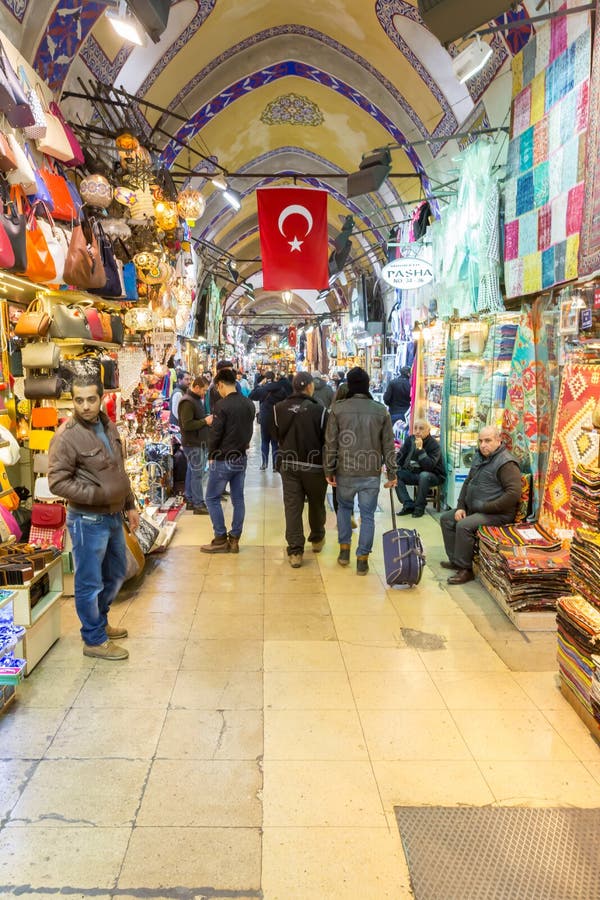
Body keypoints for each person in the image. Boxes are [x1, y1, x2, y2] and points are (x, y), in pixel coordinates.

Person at [48, 375, 139, 661]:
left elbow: (119, 470)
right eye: (79, 400)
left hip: (113, 516)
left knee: (116, 572)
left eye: (91, 399)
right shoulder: (66, 436)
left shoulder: (108, 425)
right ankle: (94, 639)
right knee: (89, 582)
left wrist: (129, 503)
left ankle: (100, 621)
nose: (85, 406)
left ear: (101, 398)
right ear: (72, 400)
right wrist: (96, 494)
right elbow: (57, 482)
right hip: (87, 520)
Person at [324, 366, 397, 575]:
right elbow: (388, 445)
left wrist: (328, 469)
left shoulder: (337, 409)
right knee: (367, 516)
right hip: (370, 472)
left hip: (344, 470)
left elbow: (331, 443)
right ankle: (363, 559)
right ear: (366, 385)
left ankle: (344, 551)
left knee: (345, 509)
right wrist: (392, 473)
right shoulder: (380, 410)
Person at [440, 426, 522, 585]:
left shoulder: (506, 463)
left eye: (488, 440)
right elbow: (468, 482)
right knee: (447, 519)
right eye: (480, 441)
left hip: (497, 514)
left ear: (498, 440)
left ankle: (466, 570)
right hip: (475, 508)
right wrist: (461, 506)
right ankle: (456, 561)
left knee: (464, 525)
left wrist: (485, 507)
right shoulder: (479, 457)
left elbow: (513, 494)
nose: (483, 445)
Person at [272, 372, 329, 568]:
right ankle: (317, 538)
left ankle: (295, 551)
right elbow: (326, 441)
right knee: (316, 503)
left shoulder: (278, 409)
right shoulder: (320, 411)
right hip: (314, 466)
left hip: (288, 464)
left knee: (292, 506)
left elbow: (276, 435)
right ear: (310, 387)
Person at [201, 368, 256, 554]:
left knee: (211, 498)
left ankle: (220, 538)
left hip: (223, 459)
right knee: (238, 499)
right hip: (241, 457)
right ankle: (234, 539)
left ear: (221, 384)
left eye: (218, 388)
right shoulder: (249, 404)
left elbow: (216, 433)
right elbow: (250, 431)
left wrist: (211, 454)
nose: (218, 391)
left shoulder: (222, 406)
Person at [395, 419, 446, 518]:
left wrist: (420, 449)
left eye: (421, 428)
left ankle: (419, 507)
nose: (417, 431)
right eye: (415, 428)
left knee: (424, 475)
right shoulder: (410, 439)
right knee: (396, 473)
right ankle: (408, 504)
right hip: (414, 473)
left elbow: (429, 467)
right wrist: (392, 467)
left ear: (428, 430)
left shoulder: (434, 445)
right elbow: (400, 456)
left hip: (433, 475)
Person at [178, 375, 213, 515]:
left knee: (193, 471)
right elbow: (187, 424)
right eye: (203, 390)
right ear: (196, 387)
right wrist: (205, 421)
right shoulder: (187, 402)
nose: (205, 393)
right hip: (192, 443)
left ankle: (191, 499)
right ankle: (198, 503)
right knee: (197, 473)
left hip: (196, 441)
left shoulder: (195, 399)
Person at [249, 371, 288, 470]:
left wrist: (259, 385)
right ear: (275, 378)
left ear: (265, 379)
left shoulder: (262, 389)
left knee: (265, 441)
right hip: (276, 418)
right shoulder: (281, 389)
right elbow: (286, 401)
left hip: (265, 418)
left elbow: (251, 395)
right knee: (275, 442)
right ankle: (275, 465)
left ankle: (264, 463)